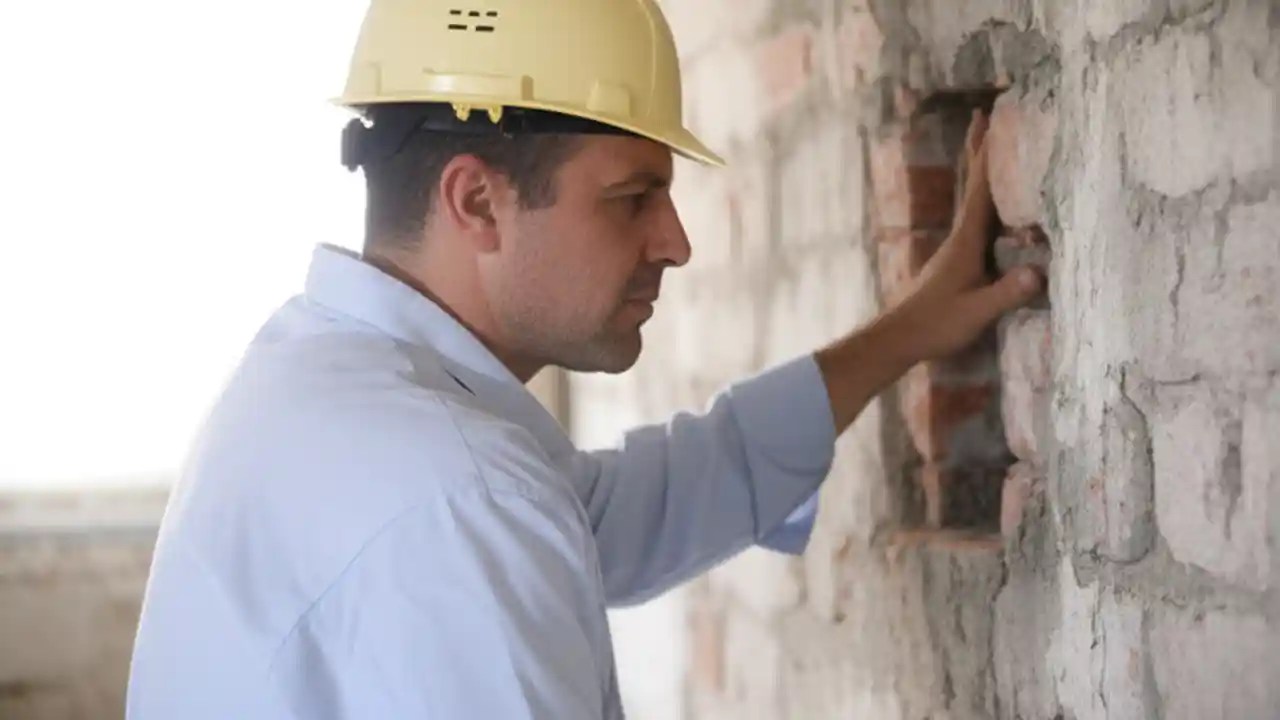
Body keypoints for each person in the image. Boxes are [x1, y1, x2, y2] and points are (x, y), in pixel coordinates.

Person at [126, 0, 1042, 717]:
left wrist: (906, 333)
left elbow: (626, 509)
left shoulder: (337, 391)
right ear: (477, 201)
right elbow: (518, 513)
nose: (676, 242)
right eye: (633, 197)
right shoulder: (452, 495)